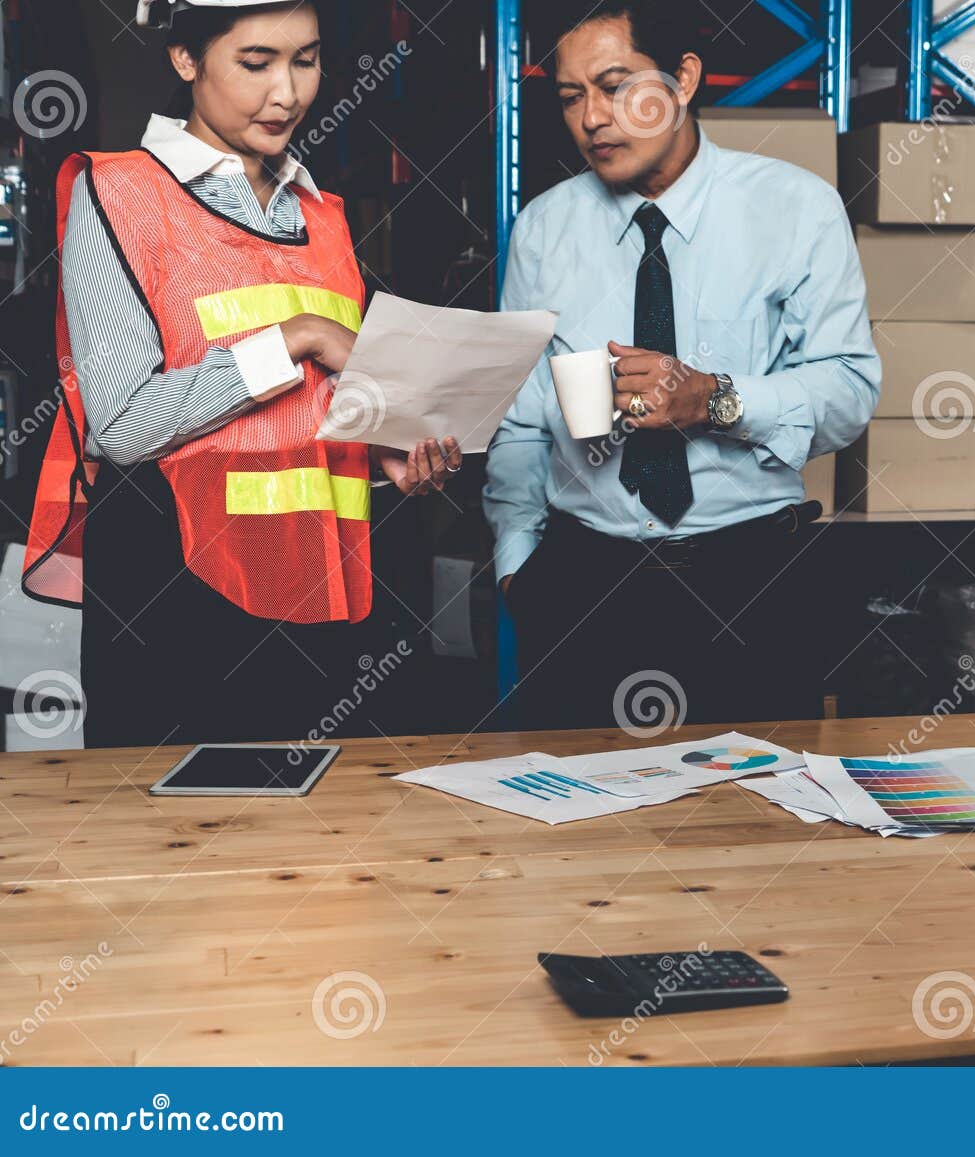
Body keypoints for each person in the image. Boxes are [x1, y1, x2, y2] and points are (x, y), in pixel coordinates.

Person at [23, 0, 461, 748]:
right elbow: (122, 425)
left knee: (338, 849)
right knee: (189, 847)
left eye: (307, 59)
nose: (286, 93)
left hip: (333, 586)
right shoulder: (121, 192)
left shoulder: (324, 214)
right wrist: (295, 337)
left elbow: (313, 416)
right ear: (185, 60)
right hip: (177, 595)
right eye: (255, 63)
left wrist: (390, 458)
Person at [486, 0, 881, 732]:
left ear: (683, 79)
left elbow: (851, 391)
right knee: (573, 832)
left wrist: (715, 401)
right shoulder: (543, 228)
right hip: (583, 584)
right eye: (571, 97)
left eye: (614, 85)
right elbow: (519, 417)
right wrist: (518, 565)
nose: (592, 118)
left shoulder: (796, 210)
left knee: (757, 829)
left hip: (751, 582)